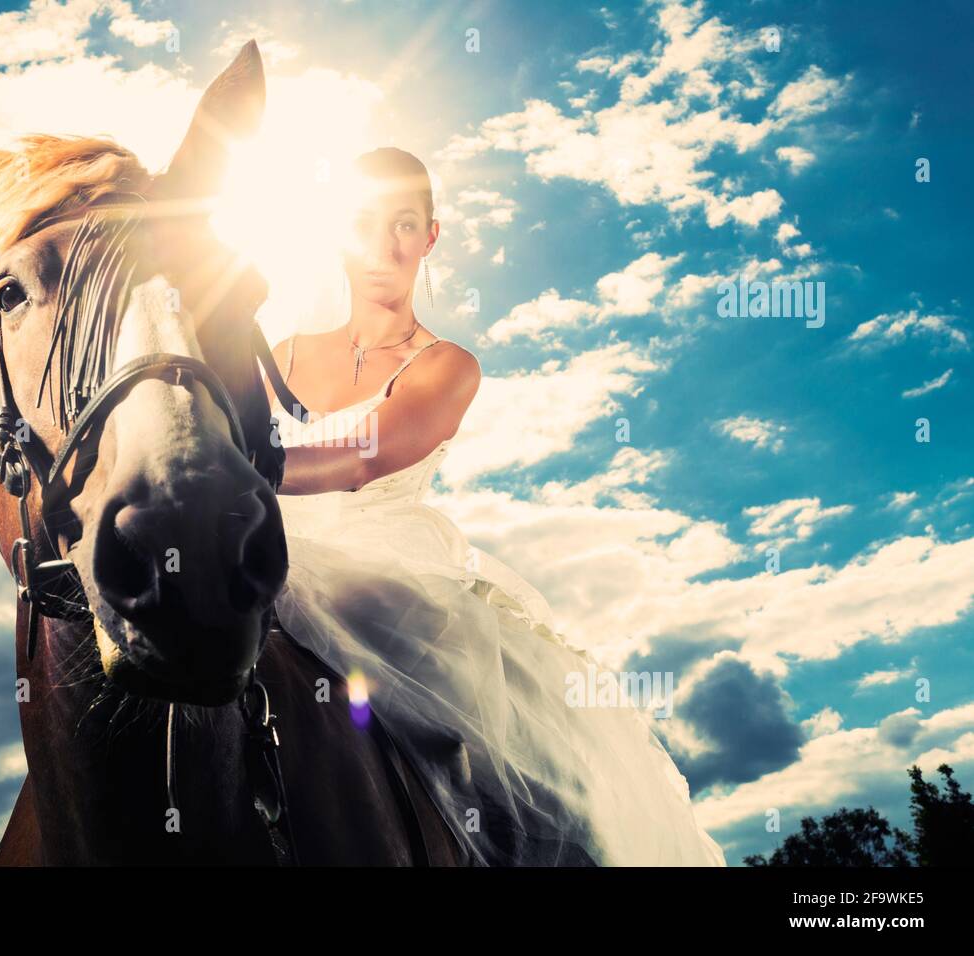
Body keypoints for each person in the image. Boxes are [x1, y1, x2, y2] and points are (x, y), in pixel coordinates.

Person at [263, 147, 725, 866]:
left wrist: (236, 464)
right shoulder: (278, 352)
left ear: (431, 236)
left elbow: (364, 455)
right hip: (258, 557)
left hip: (376, 591)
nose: (384, 247)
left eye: (405, 224)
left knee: (529, 795)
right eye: (363, 222)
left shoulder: (448, 365)